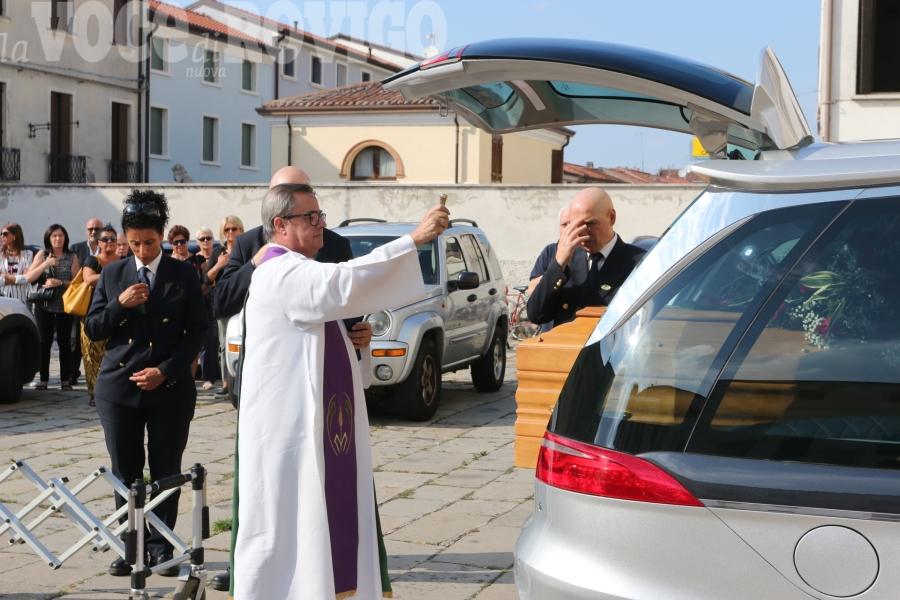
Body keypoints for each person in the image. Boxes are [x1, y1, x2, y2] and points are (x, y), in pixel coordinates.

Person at [234, 183, 448, 599]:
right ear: (279, 225)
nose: (321, 225)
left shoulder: (299, 274)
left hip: (320, 430)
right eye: (309, 218)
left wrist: (358, 347)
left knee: (320, 525)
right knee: (293, 531)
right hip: (291, 439)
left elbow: (330, 342)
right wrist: (413, 241)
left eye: (321, 215)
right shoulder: (280, 272)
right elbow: (344, 282)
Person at [209, 166, 371, 596]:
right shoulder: (248, 244)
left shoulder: (333, 243)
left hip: (324, 380)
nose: (317, 222)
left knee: (327, 483)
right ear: (276, 208)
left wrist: (360, 331)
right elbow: (221, 300)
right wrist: (255, 264)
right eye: (287, 193)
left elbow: (348, 302)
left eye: (317, 208)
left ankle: (324, 569)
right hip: (271, 384)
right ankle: (259, 571)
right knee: (267, 487)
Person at [85, 190, 207, 577]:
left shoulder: (183, 273)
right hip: (119, 387)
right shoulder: (113, 273)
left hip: (168, 388)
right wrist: (119, 303)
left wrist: (167, 371)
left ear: (163, 237)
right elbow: (93, 327)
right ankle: (131, 545)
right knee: (126, 471)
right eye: (133, 243)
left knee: (166, 467)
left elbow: (198, 332)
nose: (141, 250)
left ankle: (162, 544)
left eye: (149, 243)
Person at [527, 187, 645, 329]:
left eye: (589, 224)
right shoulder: (561, 258)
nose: (582, 232)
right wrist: (558, 264)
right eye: (575, 225)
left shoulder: (640, 263)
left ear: (611, 217)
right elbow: (536, 314)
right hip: (566, 348)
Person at [26, 224, 80, 390]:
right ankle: (43, 379)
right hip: (44, 306)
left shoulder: (72, 257)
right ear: (48, 238)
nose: (57, 238)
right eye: (54, 236)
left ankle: (65, 379)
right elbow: (29, 277)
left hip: (64, 306)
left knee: (65, 343)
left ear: (65, 238)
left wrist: (60, 283)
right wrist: (45, 264)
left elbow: (77, 283)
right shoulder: (42, 254)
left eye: (60, 235)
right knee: (44, 342)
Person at [80, 225, 119, 407]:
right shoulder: (92, 260)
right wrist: (111, 274)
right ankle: (95, 393)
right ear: (99, 243)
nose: (109, 242)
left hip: (117, 314)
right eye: (105, 239)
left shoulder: (123, 260)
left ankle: (112, 388)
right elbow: (88, 279)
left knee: (111, 354)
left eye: (112, 239)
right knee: (92, 356)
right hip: (92, 315)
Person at [206, 215, 244, 397]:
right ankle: (227, 383)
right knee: (223, 345)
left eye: (234, 229)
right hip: (223, 303)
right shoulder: (217, 252)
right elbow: (207, 278)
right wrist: (220, 264)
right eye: (227, 229)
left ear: (241, 230)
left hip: (243, 302)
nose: (230, 233)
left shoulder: (246, 249)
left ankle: (243, 380)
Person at [70, 217, 104, 385]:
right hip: (83, 300)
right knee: (76, 339)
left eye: (97, 229)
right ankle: (73, 372)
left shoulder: (108, 249)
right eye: (90, 229)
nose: (93, 232)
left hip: (103, 301)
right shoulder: (76, 249)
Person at [195, 226, 219, 391]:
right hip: (203, 304)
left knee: (220, 341)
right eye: (202, 239)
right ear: (197, 242)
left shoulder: (219, 256)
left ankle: (221, 376)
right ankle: (208, 377)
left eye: (209, 238)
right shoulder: (196, 260)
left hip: (220, 300)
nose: (206, 241)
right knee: (208, 341)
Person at [1, 223, 38, 304]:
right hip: (2, 298)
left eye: (5, 234)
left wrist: (4, 275)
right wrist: (17, 279)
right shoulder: (0, 254)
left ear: (14, 236)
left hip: (21, 299)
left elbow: (25, 279)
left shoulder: (28, 254)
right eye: (1, 234)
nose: (2, 236)